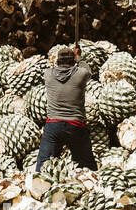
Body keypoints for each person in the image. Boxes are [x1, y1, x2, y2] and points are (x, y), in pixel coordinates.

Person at [34, 46, 97, 174]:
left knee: (43, 163)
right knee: (87, 165)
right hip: (76, 126)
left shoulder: (48, 75)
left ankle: (39, 185)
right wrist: (78, 56)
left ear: (57, 61)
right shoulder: (81, 74)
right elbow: (88, 71)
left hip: (53, 126)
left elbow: (53, 68)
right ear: (73, 62)